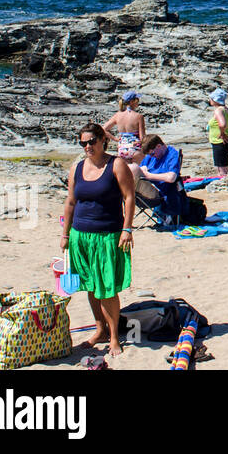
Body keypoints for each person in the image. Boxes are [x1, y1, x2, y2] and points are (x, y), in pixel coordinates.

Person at [61, 123, 135, 355]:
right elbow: (71, 201)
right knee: (92, 287)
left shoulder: (117, 165)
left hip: (108, 236)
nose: (87, 147)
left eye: (91, 141)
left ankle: (114, 337)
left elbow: (129, 197)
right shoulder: (77, 168)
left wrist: (127, 229)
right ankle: (100, 330)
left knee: (107, 288)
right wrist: (65, 234)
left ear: (103, 140)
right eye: (82, 143)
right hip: (80, 235)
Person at [135, 134, 190, 225]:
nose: (152, 156)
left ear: (159, 146)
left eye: (152, 153)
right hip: (149, 189)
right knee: (132, 170)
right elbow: (141, 169)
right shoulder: (150, 157)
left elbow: (171, 177)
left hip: (161, 193)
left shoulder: (172, 154)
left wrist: (149, 175)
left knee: (133, 170)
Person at [102, 91, 146, 161]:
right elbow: (143, 137)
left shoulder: (118, 115)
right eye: (137, 100)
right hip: (135, 148)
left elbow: (103, 129)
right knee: (138, 170)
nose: (138, 102)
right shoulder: (138, 116)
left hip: (122, 148)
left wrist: (115, 139)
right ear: (132, 101)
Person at [206, 88, 228, 177]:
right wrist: (227, 132)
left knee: (221, 170)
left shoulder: (218, 110)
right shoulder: (227, 110)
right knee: (225, 166)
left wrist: (222, 134)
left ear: (215, 100)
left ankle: (222, 186)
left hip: (219, 142)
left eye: (211, 98)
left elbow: (222, 124)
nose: (209, 100)